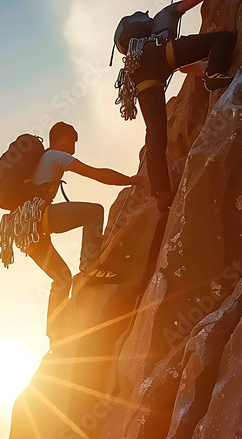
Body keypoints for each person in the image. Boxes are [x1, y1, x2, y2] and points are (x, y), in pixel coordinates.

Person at [113, 0, 242, 208]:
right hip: (161, 54)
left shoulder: (135, 56)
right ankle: (216, 72)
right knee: (222, 38)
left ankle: (161, 194)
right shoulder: (164, 15)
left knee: (155, 134)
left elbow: (184, 67)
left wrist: (204, 72)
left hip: (141, 79)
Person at [23, 122, 149, 346]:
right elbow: (97, 174)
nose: (74, 147)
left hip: (25, 231)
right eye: (73, 141)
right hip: (40, 218)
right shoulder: (57, 156)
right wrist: (132, 180)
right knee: (94, 211)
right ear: (63, 138)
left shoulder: (41, 162)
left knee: (61, 278)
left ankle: (55, 337)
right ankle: (91, 268)